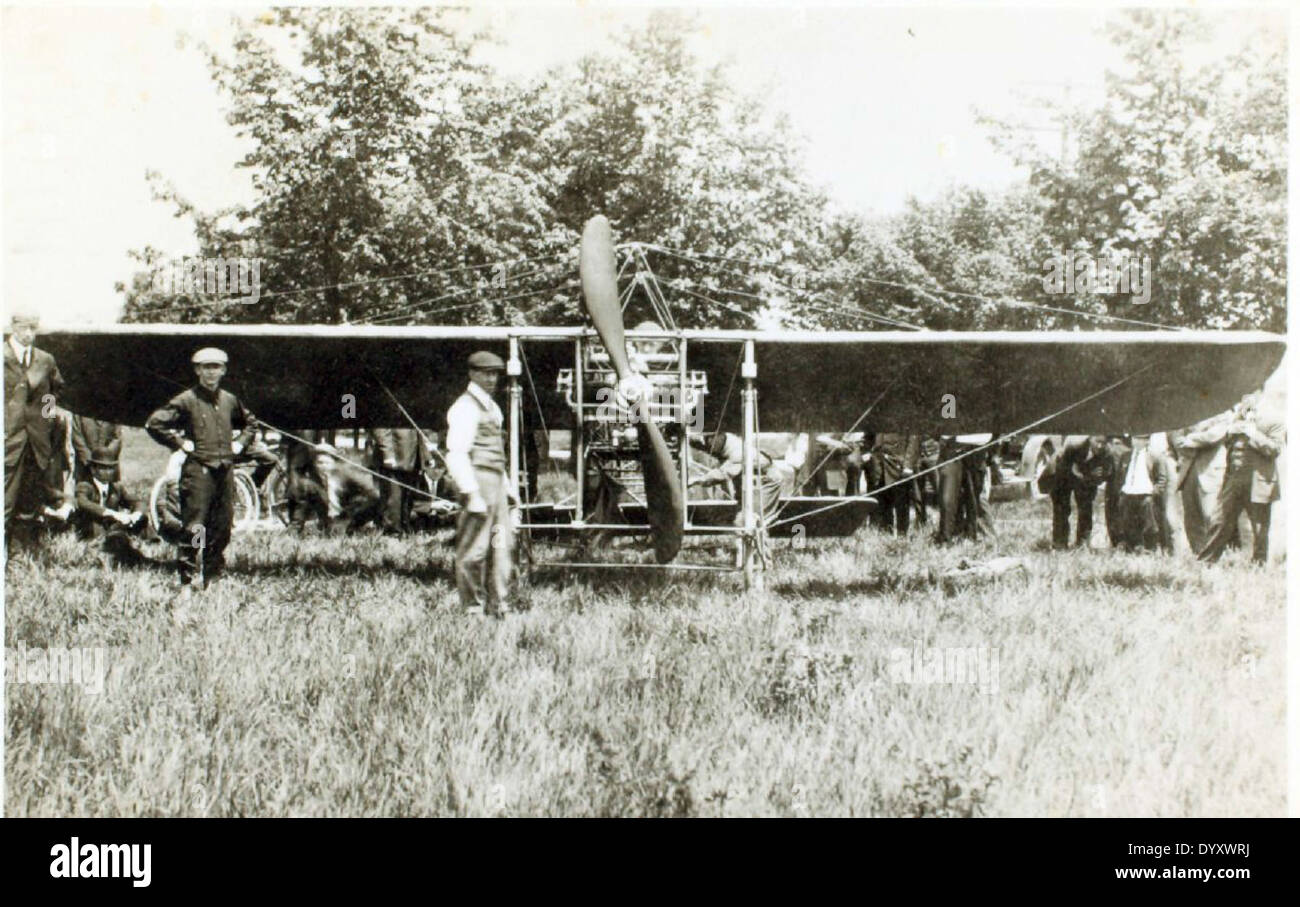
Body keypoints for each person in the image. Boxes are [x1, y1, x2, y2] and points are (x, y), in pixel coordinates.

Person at [145, 347, 256, 599]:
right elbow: (155, 422)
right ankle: (186, 580)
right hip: (198, 472)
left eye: (216, 367)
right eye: (206, 367)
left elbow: (251, 423)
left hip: (225, 470)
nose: (211, 373)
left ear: (224, 370)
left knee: (222, 526)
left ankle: (212, 578)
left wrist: (240, 443)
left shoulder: (229, 400)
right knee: (195, 528)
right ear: (197, 371)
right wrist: (180, 443)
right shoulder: (186, 400)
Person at [445, 351, 515, 617]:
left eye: (495, 373)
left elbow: (498, 453)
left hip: (496, 484)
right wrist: (471, 492)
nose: (491, 379)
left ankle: (499, 605)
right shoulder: (464, 408)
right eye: (486, 373)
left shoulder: (493, 407)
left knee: (501, 547)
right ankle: (472, 610)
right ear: (472, 373)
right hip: (477, 482)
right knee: (474, 550)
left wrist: (507, 489)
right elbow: (457, 453)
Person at [5, 311, 73, 546]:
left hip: (36, 445)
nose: (29, 334)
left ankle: (20, 552)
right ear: (13, 326)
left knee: (29, 499)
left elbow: (56, 391)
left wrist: (45, 419)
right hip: (7, 442)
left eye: (33, 328)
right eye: (24, 328)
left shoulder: (45, 360)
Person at [1198, 393, 1284, 565]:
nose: (1245, 399)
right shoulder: (1237, 417)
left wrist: (1253, 434)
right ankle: (1206, 562)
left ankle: (1258, 566)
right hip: (1234, 480)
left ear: (1259, 394)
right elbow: (1229, 447)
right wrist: (1230, 432)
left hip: (1258, 484)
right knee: (1220, 521)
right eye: (1243, 395)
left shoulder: (1274, 419)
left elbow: (1275, 450)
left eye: (1250, 394)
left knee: (1259, 528)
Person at [688, 431, 809, 526]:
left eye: (710, 438)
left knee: (746, 521)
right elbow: (701, 443)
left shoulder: (737, 452)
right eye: (706, 438)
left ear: (719, 436)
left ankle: (757, 551)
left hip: (766, 483)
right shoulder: (722, 441)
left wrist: (697, 480)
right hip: (751, 480)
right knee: (745, 518)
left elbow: (723, 473)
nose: (706, 442)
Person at [1172, 411, 1236, 553]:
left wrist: (1189, 439)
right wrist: (1189, 440)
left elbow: (1213, 436)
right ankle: (1198, 554)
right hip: (1188, 471)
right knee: (1192, 517)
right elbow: (1176, 436)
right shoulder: (1189, 411)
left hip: (1210, 471)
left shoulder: (1223, 411)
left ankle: (1214, 556)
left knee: (1211, 515)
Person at [73, 446, 147, 566]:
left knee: (142, 518)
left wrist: (135, 515)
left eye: (111, 468)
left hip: (112, 530)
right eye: (104, 468)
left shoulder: (116, 488)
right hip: (92, 531)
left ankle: (151, 543)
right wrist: (113, 514)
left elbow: (138, 501)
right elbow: (83, 502)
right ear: (93, 469)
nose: (109, 472)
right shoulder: (85, 486)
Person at [1040, 434, 1114, 549]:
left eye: (1103, 443)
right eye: (1097, 441)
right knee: (1062, 508)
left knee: (1086, 508)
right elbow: (1066, 467)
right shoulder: (1074, 445)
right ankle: (1059, 544)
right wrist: (1086, 474)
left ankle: (1083, 543)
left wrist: (1096, 476)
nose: (1100, 446)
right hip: (1062, 473)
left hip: (1084, 475)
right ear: (1090, 439)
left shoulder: (1107, 453)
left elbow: (1105, 474)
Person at [1112, 434, 1172, 552]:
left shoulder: (1155, 456)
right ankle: (1131, 548)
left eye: (1141, 439)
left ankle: (1150, 548)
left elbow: (1162, 478)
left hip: (1146, 494)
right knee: (1127, 521)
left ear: (1147, 441)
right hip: (1128, 493)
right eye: (1135, 438)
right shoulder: (1126, 456)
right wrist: (1121, 491)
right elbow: (1119, 476)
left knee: (1149, 524)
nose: (1137, 442)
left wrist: (1153, 492)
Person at [934, 433, 995, 543]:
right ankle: (946, 539)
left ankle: (972, 537)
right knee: (947, 498)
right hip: (952, 450)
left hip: (977, 449)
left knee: (973, 498)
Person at [368, 427, 429, 535]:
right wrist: (387, 454)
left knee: (406, 496)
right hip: (395, 456)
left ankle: (404, 527)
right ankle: (392, 532)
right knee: (393, 497)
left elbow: (417, 430)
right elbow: (380, 428)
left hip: (411, 456)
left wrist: (425, 455)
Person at [866, 433, 921, 535]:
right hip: (879, 463)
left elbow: (914, 438)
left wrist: (908, 465)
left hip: (898, 463)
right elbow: (869, 433)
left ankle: (902, 533)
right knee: (883, 501)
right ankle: (886, 532)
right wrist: (867, 451)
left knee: (901, 502)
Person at [70, 414, 123, 483]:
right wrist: (90, 460)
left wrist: (106, 458)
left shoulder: (114, 408)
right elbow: (76, 437)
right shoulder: (79, 410)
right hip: (85, 466)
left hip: (108, 466)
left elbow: (117, 438)